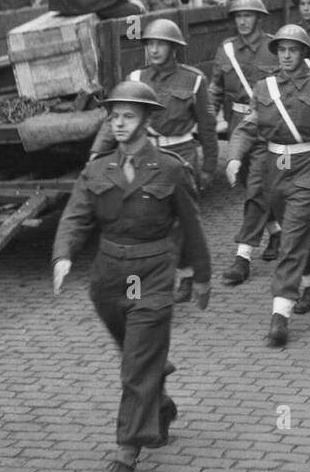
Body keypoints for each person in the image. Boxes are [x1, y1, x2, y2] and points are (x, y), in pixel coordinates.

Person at [51, 81, 211, 472]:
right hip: (108, 280)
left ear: (146, 119)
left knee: (135, 367)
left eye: (128, 116)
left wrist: (202, 276)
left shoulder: (170, 169)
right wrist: (63, 255)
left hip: (153, 274)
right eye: (114, 116)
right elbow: (75, 217)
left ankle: (124, 461)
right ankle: (159, 401)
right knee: (138, 357)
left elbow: (192, 226)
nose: (119, 123)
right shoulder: (97, 169)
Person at [87, 17, 217, 304]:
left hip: (180, 156)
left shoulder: (194, 79)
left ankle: (180, 275)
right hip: (144, 156)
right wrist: (97, 152)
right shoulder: (135, 79)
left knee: (180, 223)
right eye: (150, 44)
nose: (154, 50)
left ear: (174, 47)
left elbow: (207, 127)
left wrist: (209, 166)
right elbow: (114, 118)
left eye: (161, 44)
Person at [225, 25, 310, 345]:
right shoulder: (264, 87)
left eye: (293, 50)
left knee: (292, 237)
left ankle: (280, 313)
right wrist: (234, 157)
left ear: (304, 54)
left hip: (307, 168)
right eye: (282, 50)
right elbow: (248, 126)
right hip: (275, 167)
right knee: (295, 232)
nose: (287, 56)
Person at [210, 0, 283, 283]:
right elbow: (216, 89)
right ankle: (275, 231)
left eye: (247, 15)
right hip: (238, 124)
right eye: (238, 16)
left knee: (257, 186)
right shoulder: (226, 49)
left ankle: (243, 256)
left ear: (259, 18)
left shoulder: (274, 48)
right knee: (246, 183)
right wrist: (208, 119)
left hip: (267, 125)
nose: (242, 21)